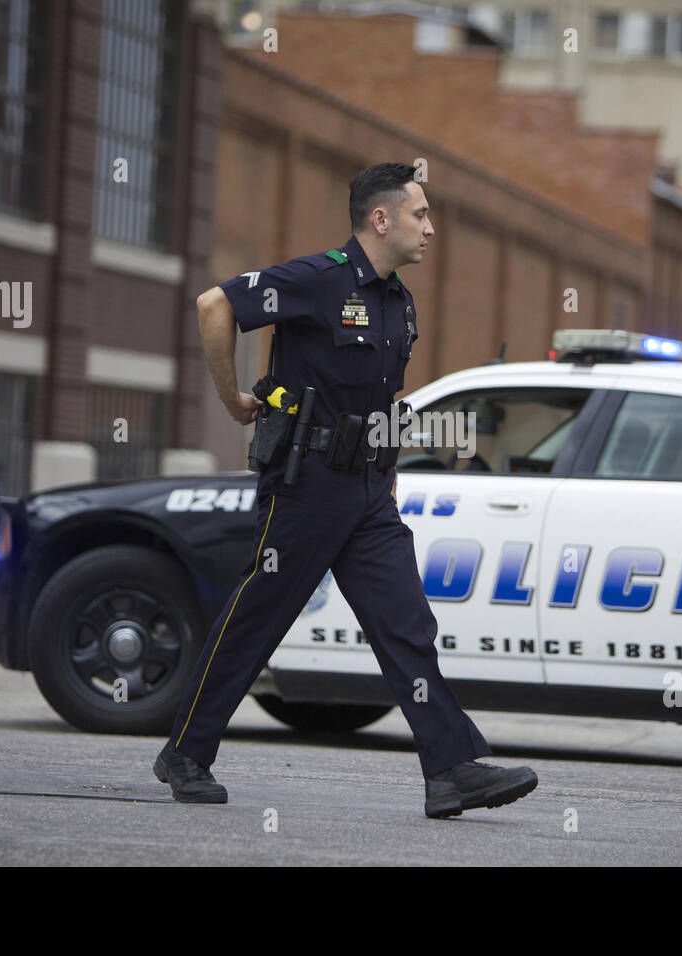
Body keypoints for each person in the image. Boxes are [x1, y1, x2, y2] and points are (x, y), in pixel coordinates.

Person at [153, 162, 538, 818]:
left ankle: (450, 771)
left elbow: (380, 400)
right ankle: (186, 753)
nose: (431, 228)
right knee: (257, 620)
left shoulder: (397, 301)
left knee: (406, 625)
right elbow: (214, 305)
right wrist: (234, 399)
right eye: (420, 215)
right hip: (304, 487)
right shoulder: (315, 281)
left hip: (367, 491)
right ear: (380, 219)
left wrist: (384, 478)